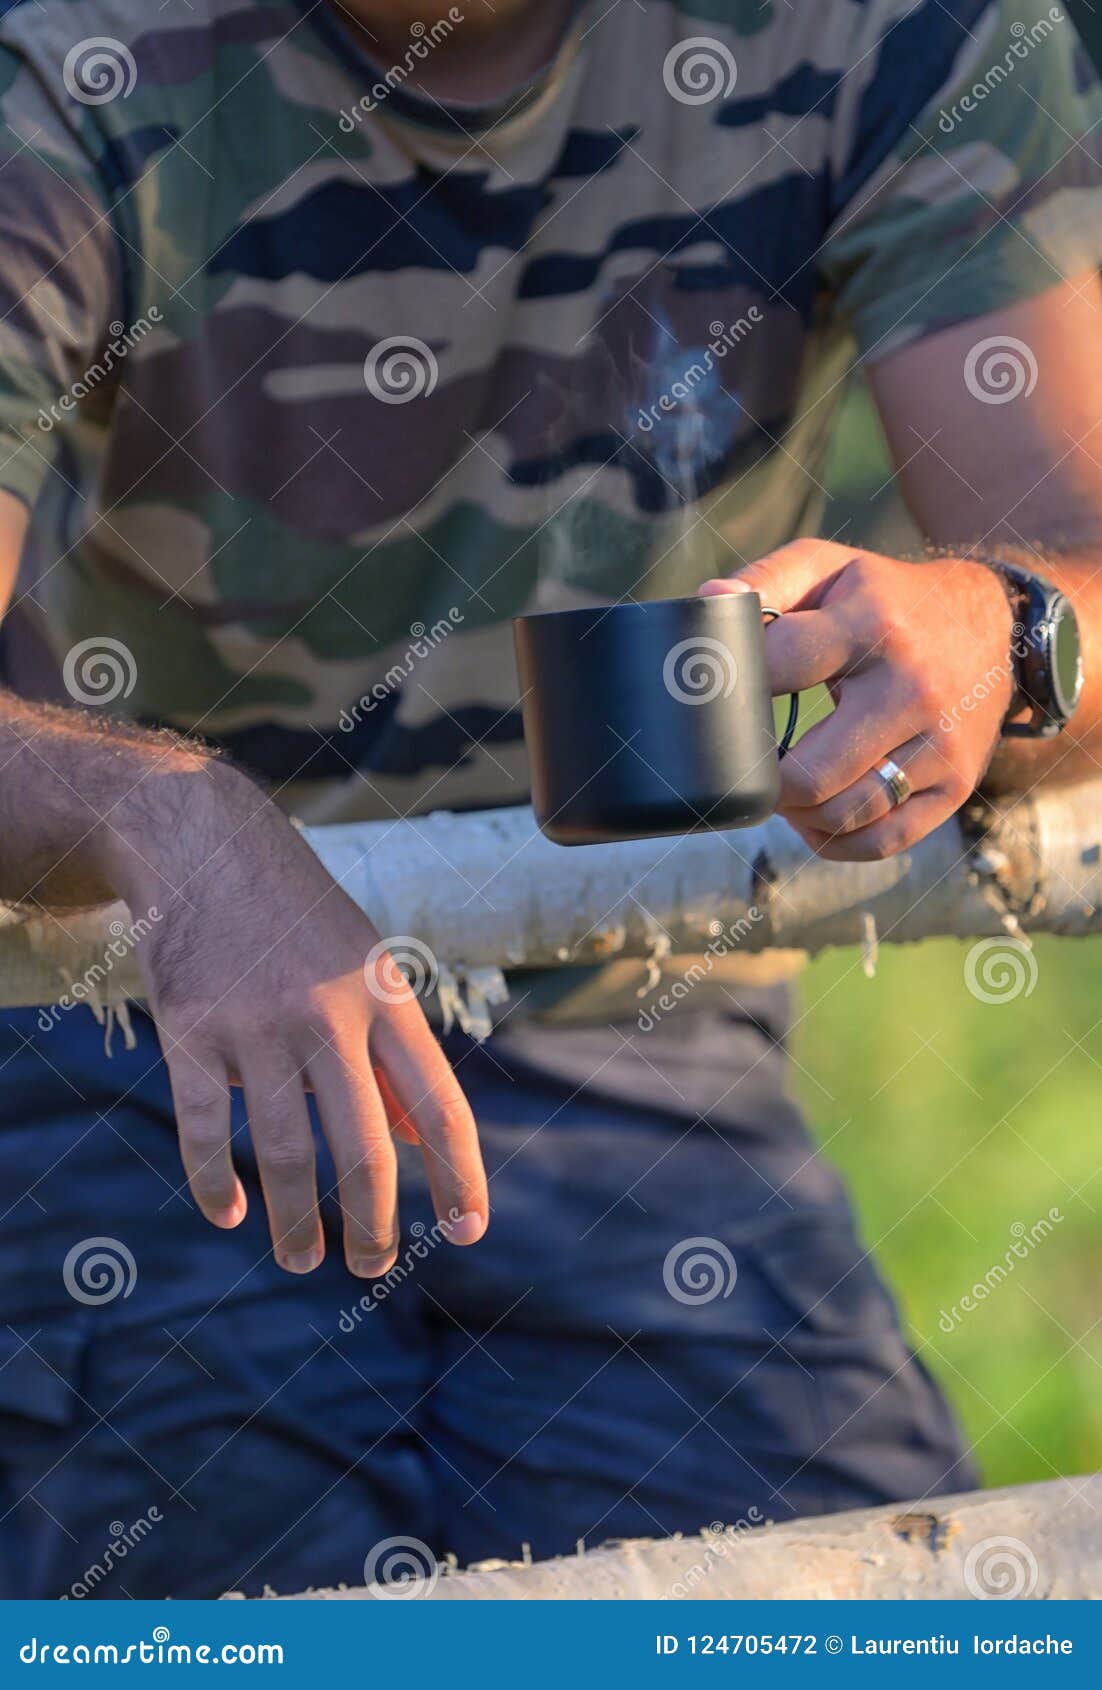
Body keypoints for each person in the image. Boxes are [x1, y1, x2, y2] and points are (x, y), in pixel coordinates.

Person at [0, 0, 1099, 1599]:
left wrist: (1004, 634)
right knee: (218, 1603)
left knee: (876, 1612)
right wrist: (164, 820)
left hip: (640, 1044)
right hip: (133, 1039)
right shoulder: (64, 57)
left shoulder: (902, 32)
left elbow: (1072, 564)